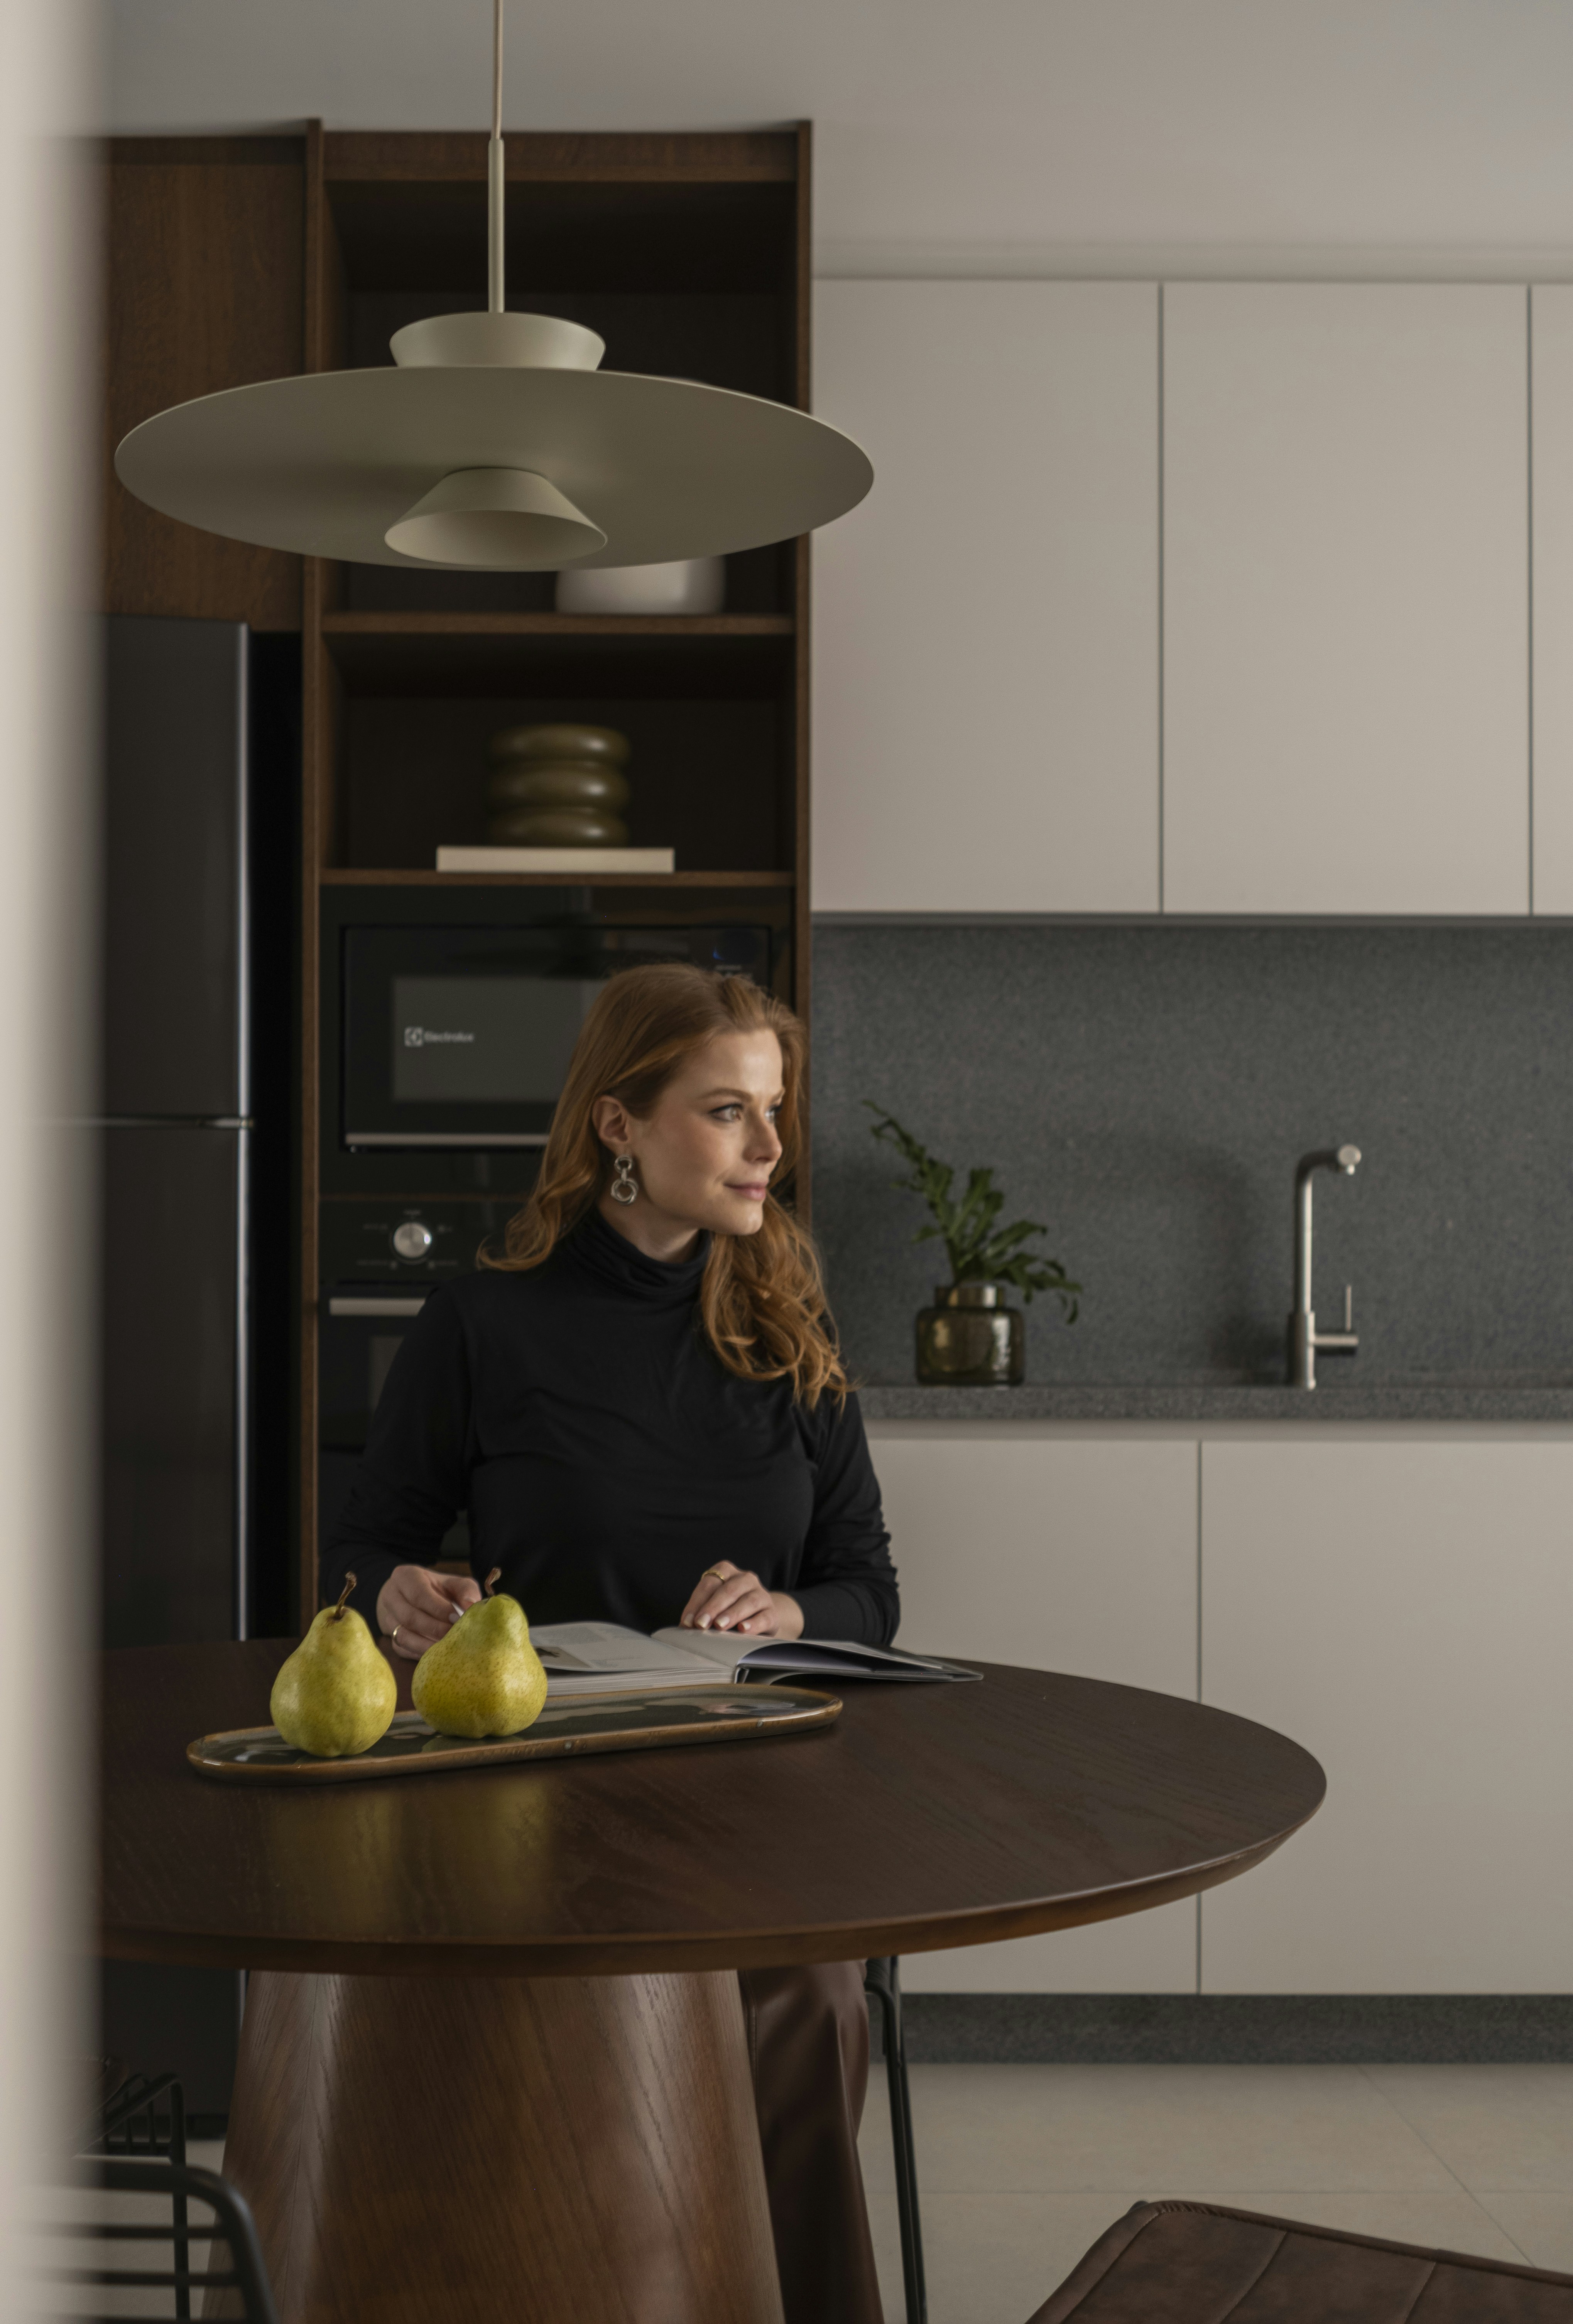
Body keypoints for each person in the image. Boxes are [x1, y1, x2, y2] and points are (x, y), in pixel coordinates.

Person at [323, 961, 896, 2324]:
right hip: (532, 1795)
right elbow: (359, 1546)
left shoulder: (793, 1336)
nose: (771, 1147)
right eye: (726, 1110)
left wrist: (791, 1611)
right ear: (619, 1129)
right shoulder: (483, 1325)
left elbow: (866, 1582)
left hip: (752, 1794)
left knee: (811, 2002)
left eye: (773, 1110)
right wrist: (395, 1591)